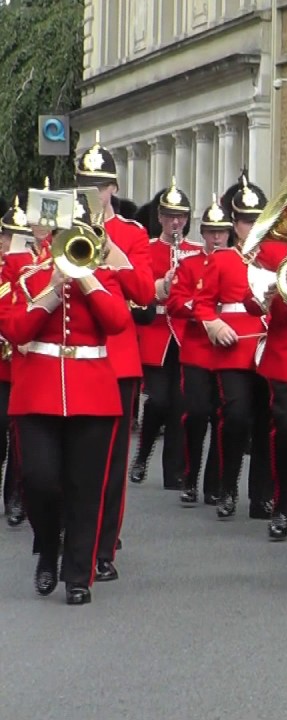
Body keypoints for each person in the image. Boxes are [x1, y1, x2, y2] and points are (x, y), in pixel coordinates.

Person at [4, 189, 131, 604]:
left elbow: (116, 322)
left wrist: (88, 278)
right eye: (56, 228)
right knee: (39, 480)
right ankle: (47, 545)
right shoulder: (21, 271)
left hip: (92, 390)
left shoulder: (100, 268)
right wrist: (54, 290)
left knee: (86, 487)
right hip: (38, 389)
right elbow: (17, 330)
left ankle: (78, 576)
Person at [73, 141, 156, 584]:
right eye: (85, 185)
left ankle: (103, 547)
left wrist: (116, 258)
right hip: (68, 358)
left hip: (116, 358)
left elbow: (145, 293)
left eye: (100, 186)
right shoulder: (59, 227)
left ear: (113, 189)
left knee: (110, 462)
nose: (93, 193)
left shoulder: (131, 232)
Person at [192, 188, 269, 519]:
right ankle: (226, 486)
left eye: (256, 221)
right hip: (233, 344)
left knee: (267, 422)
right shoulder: (222, 259)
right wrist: (214, 325)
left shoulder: (277, 256)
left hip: (268, 345)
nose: (250, 228)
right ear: (234, 224)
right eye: (244, 222)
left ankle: (262, 496)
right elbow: (203, 303)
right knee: (235, 417)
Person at [131, 183, 201, 491]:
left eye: (181, 217)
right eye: (170, 216)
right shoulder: (147, 248)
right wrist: (163, 284)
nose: (176, 223)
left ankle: (175, 471)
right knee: (157, 400)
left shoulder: (197, 251)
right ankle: (143, 455)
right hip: (157, 331)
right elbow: (140, 288)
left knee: (180, 405)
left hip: (185, 333)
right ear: (160, 217)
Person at [167, 198, 234, 507]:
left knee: (223, 417)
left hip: (228, 348)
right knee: (195, 414)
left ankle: (215, 482)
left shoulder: (236, 262)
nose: (217, 238)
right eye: (211, 232)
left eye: (221, 232)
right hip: (197, 348)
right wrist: (201, 308)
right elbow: (175, 303)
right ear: (203, 233)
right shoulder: (191, 263)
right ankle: (190, 476)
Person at [0, 199, 29, 527]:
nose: (11, 243)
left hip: (21, 364)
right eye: (9, 236)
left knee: (19, 433)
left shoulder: (31, 268)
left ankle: (16, 496)